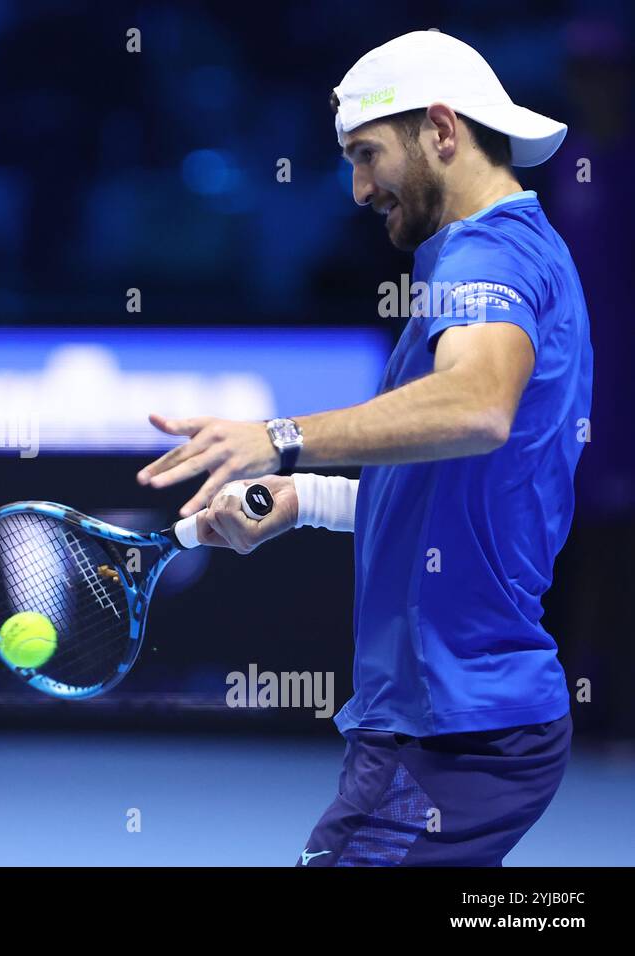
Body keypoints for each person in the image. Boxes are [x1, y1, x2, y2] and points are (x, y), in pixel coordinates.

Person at [136, 30, 592, 866]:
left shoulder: (484, 255)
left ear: (442, 132)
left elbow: (479, 407)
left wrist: (282, 439)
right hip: (463, 723)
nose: (356, 188)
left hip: (453, 734)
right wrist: (306, 501)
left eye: (367, 154)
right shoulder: (514, 252)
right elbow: (464, 494)